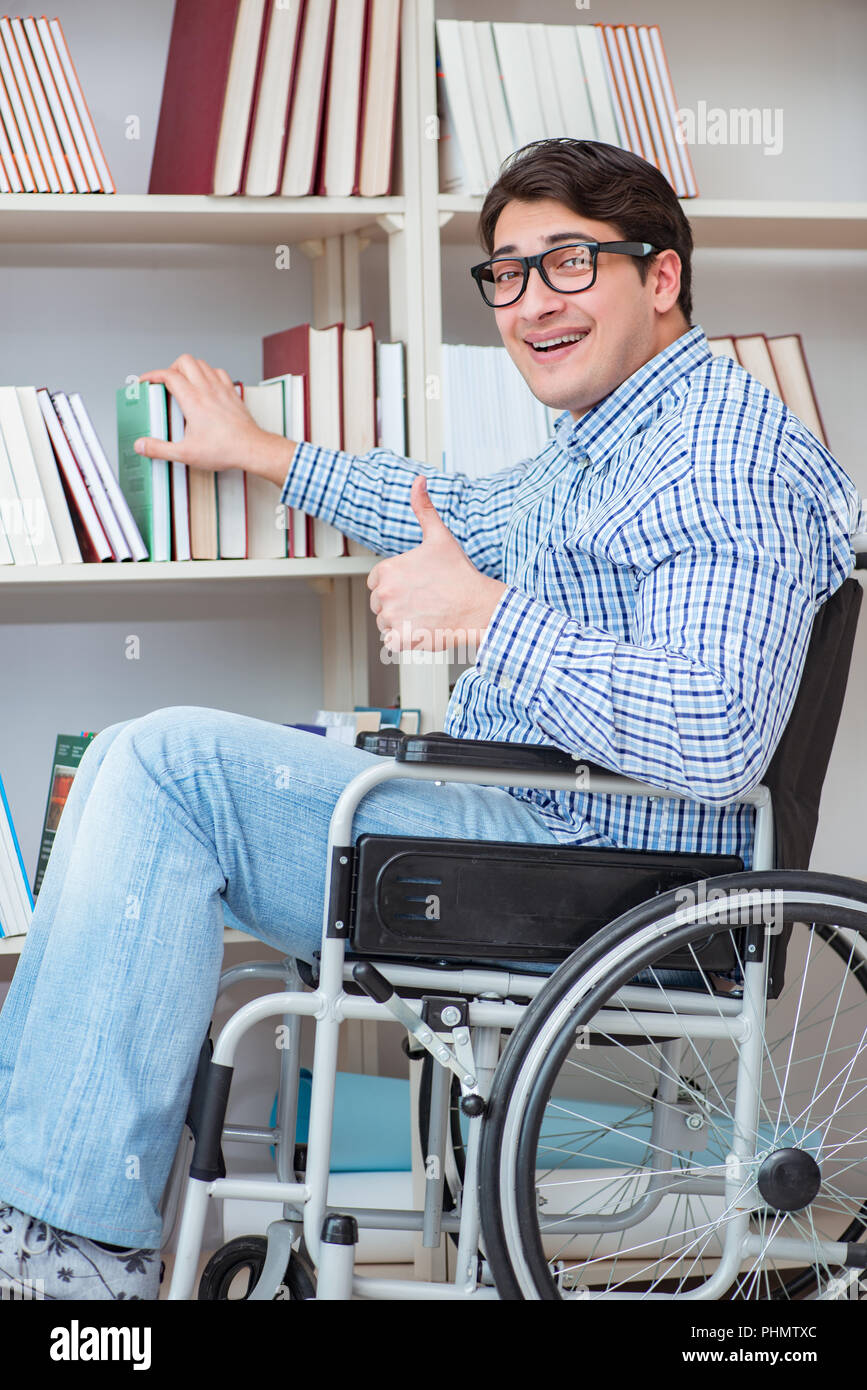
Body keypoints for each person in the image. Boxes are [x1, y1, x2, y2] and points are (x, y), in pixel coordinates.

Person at [0, 139, 863, 1300]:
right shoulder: (619, 434)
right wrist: (268, 454)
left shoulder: (722, 459)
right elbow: (458, 508)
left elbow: (715, 736)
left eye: (567, 264)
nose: (529, 304)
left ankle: (66, 1260)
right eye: (505, 274)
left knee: (163, 767)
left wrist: (487, 616)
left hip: (591, 867)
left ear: (661, 278)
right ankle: (45, 1210)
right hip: (521, 821)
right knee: (135, 760)